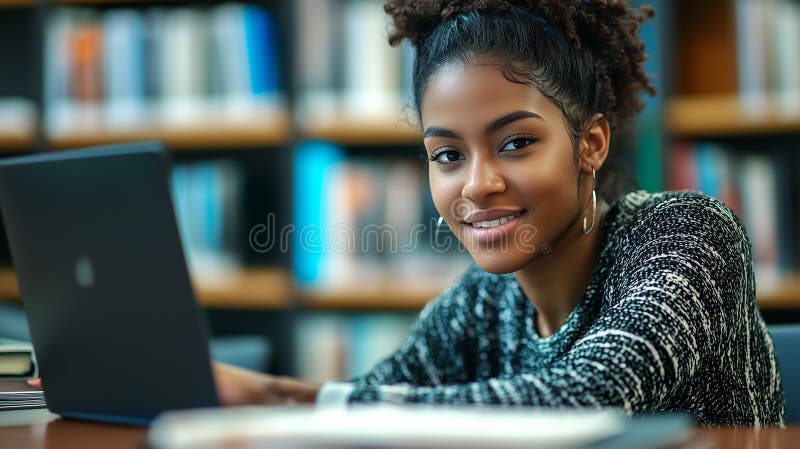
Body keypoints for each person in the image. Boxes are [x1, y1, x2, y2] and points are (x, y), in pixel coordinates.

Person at [31, 0, 786, 426]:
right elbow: (379, 406)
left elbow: (590, 390)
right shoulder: (479, 304)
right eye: (447, 154)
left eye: (516, 142)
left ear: (589, 142)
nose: (477, 185)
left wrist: (281, 392)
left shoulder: (686, 234)